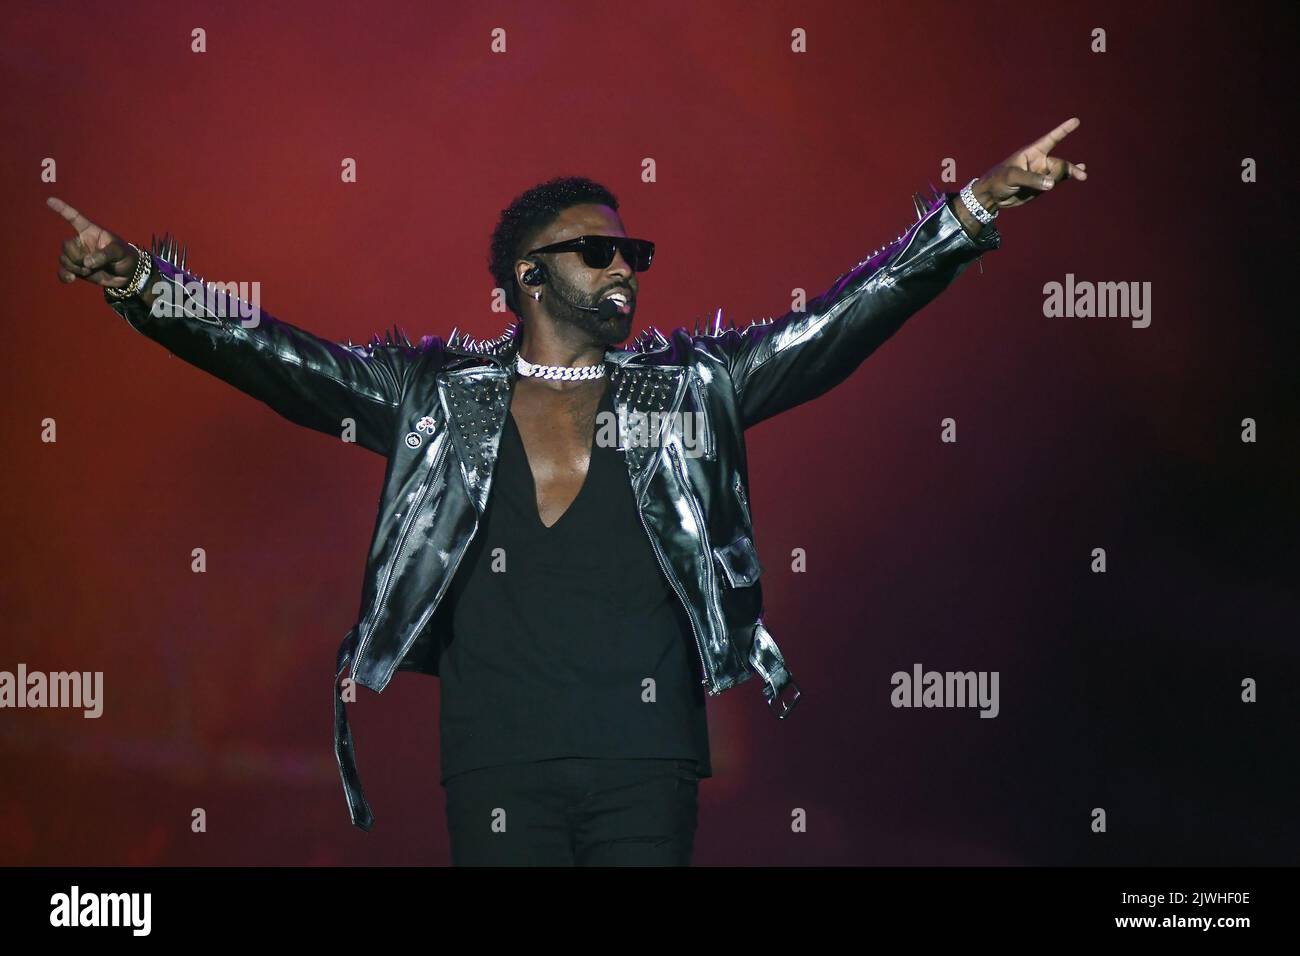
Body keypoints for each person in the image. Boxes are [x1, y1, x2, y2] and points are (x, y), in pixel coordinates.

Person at [47, 118, 1085, 866]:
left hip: (646, 759)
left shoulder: (689, 389)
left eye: (632, 252)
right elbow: (274, 354)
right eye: (599, 251)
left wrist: (964, 215)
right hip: (496, 757)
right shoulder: (432, 399)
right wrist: (141, 282)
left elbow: (833, 326)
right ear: (528, 276)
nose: (626, 268)